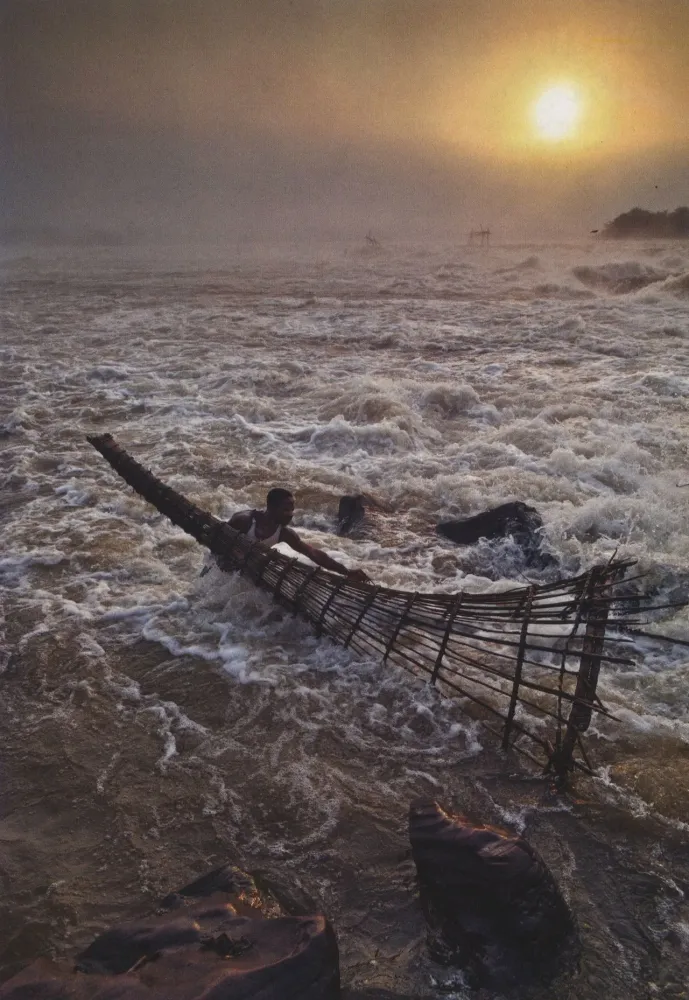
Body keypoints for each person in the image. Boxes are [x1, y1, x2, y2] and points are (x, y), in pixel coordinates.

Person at [228, 488, 370, 583]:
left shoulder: (284, 533)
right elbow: (219, 539)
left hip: (245, 570)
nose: (290, 514)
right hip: (225, 565)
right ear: (271, 508)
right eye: (285, 509)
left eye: (292, 509)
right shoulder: (244, 521)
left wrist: (346, 572)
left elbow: (313, 553)